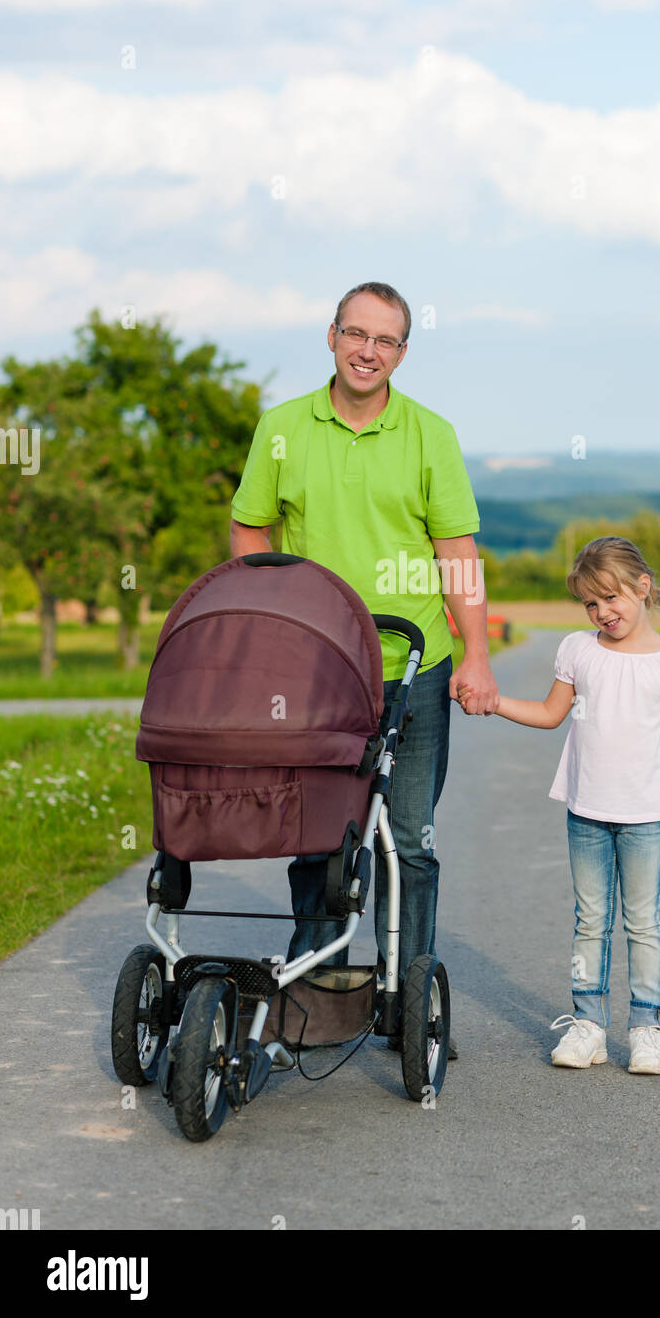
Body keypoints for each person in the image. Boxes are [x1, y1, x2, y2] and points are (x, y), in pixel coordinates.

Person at [229, 281, 499, 1052]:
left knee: (408, 840)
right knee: (319, 834)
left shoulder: (430, 435)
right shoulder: (282, 428)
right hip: (315, 668)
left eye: (385, 340)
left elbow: (456, 554)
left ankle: (409, 1004)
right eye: (356, 334)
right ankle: (312, 994)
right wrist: (269, 617)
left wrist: (477, 654)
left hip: (414, 664)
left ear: (402, 353)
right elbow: (250, 529)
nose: (368, 351)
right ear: (332, 336)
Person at [458, 536, 660, 1074]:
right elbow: (550, 714)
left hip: (647, 817)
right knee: (590, 920)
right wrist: (494, 702)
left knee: (644, 922)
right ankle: (588, 1026)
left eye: (611, 597)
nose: (602, 612)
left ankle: (646, 1030)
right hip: (587, 812)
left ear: (643, 587)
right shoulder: (578, 651)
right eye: (591, 603)